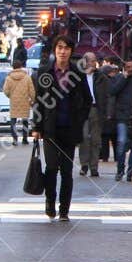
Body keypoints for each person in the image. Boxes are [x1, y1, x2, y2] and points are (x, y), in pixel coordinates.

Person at [32, 37, 91, 221]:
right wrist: (36, 126)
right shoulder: (44, 72)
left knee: (66, 171)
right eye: (59, 47)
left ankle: (64, 209)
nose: (62, 51)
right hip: (50, 129)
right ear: (54, 50)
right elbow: (38, 102)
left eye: (66, 48)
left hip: (70, 129)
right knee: (51, 168)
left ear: (71, 51)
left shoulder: (77, 74)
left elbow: (87, 100)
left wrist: (80, 119)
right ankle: (50, 202)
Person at [78, 53, 110, 178]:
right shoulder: (79, 76)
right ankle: (84, 164)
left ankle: (94, 167)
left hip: (97, 109)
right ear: (85, 62)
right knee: (84, 137)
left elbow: (107, 93)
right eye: (91, 61)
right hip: (83, 110)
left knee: (96, 140)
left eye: (95, 61)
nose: (93, 63)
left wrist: (107, 111)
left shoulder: (100, 76)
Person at [111, 58, 132, 180]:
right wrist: (124, 78)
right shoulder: (119, 78)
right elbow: (112, 91)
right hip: (122, 116)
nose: (130, 70)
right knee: (121, 143)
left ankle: (130, 172)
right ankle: (120, 170)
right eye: (127, 67)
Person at [5, 55, 35, 145]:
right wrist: (32, 100)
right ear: (21, 67)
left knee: (13, 121)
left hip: (14, 101)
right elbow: (32, 90)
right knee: (25, 121)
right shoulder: (26, 77)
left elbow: (5, 90)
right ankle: (25, 138)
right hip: (25, 101)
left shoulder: (9, 78)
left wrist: (10, 96)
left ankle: (15, 139)